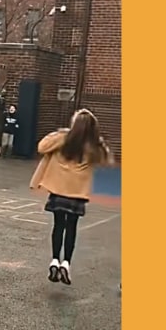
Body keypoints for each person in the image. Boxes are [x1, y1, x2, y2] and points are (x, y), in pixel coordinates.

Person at [29, 109, 114, 285]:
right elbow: (107, 160)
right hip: (77, 194)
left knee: (58, 225)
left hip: (58, 190)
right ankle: (66, 263)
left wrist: (59, 133)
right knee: (72, 227)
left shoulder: (63, 139)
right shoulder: (93, 146)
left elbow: (42, 146)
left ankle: (54, 260)